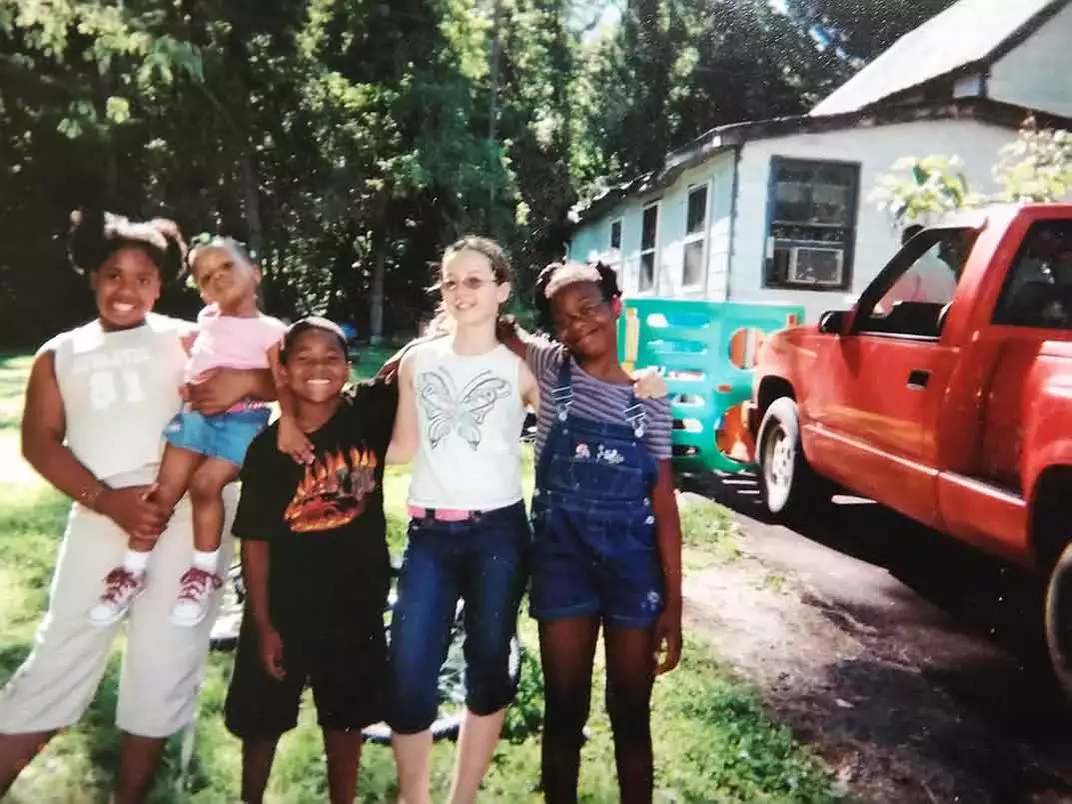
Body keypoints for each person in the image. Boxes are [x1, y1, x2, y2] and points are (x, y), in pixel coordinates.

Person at [0, 210, 275, 803]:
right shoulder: (61, 353)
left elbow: (278, 372)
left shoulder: (190, 337)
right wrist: (104, 500)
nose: (127, 289)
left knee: (163, 663)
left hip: (189, 519)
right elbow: (38, 441)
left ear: (160, 284)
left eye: (143, 277)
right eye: (113, 275)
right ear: (91, 276)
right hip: (103, 513)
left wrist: (250, 383)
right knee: (59, 653)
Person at [497, 260, 683, 804]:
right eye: (563, 319)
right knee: (564, 707)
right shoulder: (553, 369)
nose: (578, 326)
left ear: (616, 307)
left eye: (589, 309)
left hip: (633, 569)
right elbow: (491, 319)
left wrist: (673, 600)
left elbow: (664, 505)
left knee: (630, 711)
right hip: (563, 564)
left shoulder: (650, 399)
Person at [386, 236, 540, 804]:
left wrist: (639, 390)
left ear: (502, 290)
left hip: (498, 536)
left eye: (474, 280)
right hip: (428, 536)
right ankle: (415, 796)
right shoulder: (416, 359)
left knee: (488, 669)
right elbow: (400, 446)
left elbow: (577, 417)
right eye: (450, 281)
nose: (459, 292)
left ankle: (462, 797)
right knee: (408, 672)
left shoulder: (521, 367)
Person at [223, 317, 399, 804]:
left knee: (346, 718)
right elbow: (254, 541)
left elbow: (414, 359)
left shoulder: (370, 413)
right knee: (261, 722)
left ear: (348, 365)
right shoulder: (267, 450)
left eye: (331, 357)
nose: (319, 368)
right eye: (303, 358)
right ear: (284, 370)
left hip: (355, 605)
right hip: (283, 608)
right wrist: (262, 623)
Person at [87, 235, 287, 629]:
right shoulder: (207, 320)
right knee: (162, 492)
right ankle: (131, 571)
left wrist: (291, 430)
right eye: (205, 276)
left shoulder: (271, 330)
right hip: (194, 417)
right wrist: (193, 350)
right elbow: (206, 348)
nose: (217, 278)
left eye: (227, 266)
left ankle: (202, 573)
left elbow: (283, 384)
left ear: (256, 274)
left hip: (242, 422)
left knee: (206, 486)